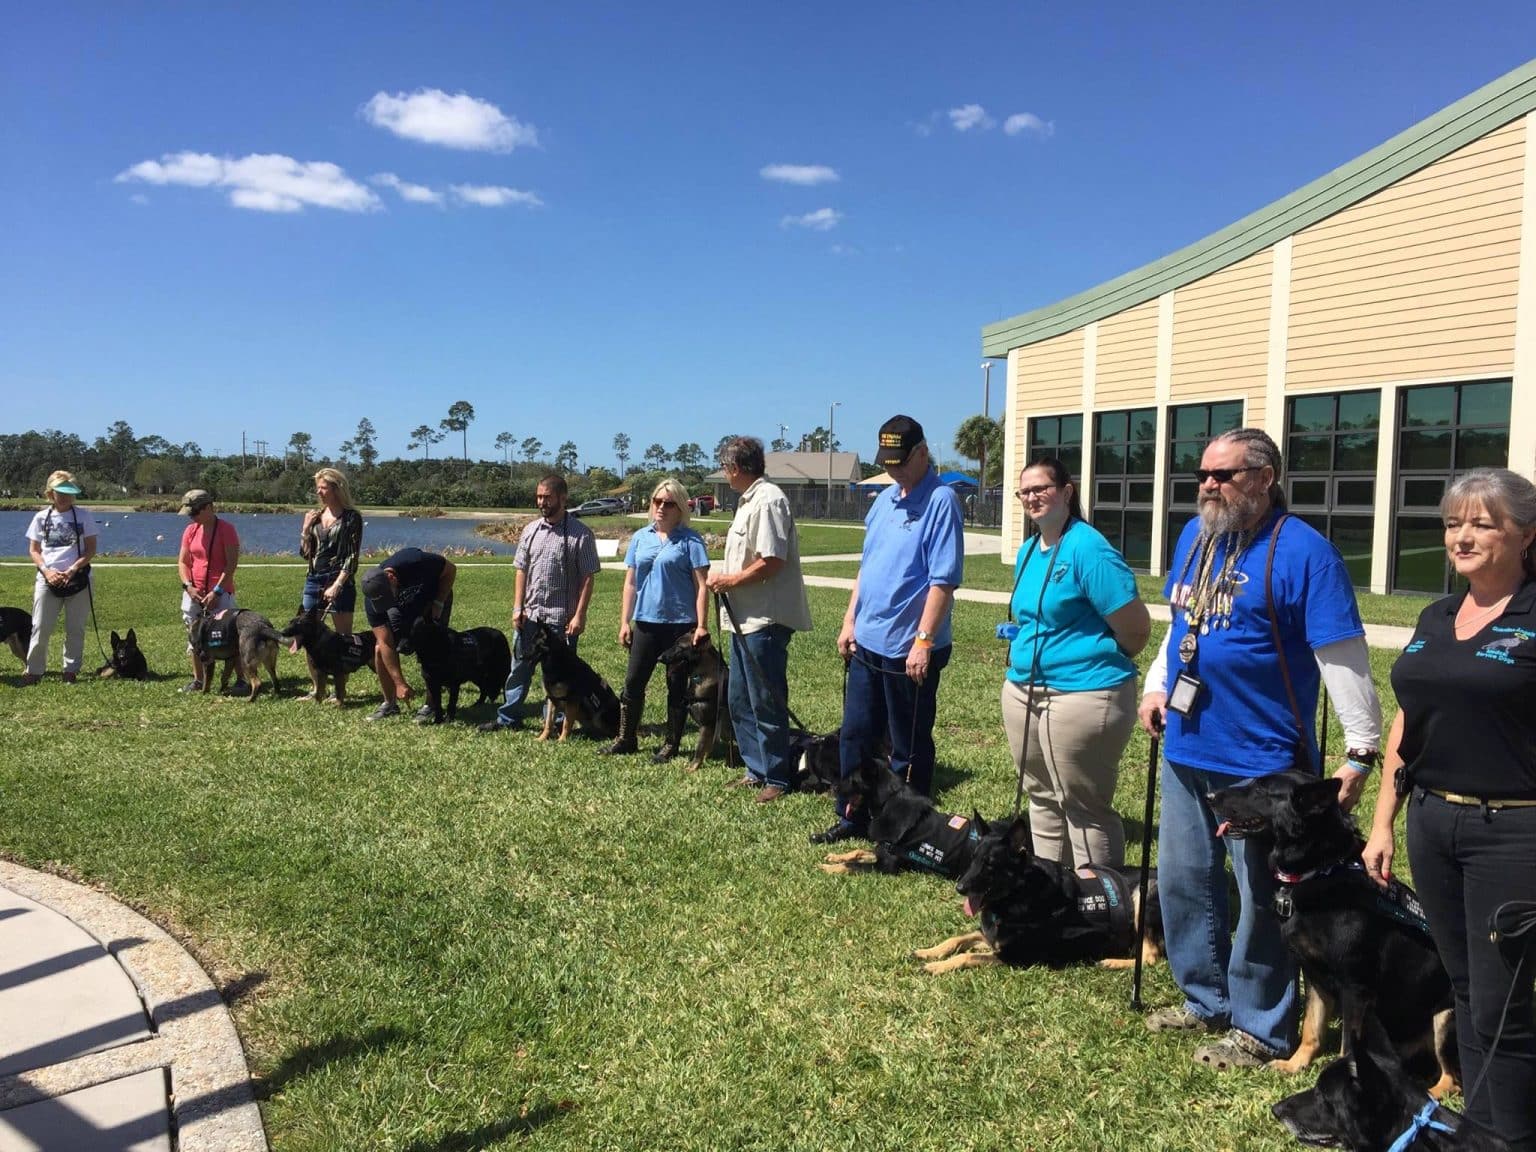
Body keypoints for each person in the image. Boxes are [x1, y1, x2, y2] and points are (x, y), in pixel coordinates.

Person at [1137, 427, 1381, 1071]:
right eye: (1203, 475)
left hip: (1263, 762)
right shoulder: (1197, 537)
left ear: (1266, 478)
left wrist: (1361, 749)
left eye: (1225, 475)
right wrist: (1157, 686)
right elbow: (1180, 628)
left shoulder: (1306, 552)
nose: (1209, 486)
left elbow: (1342, 656)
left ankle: (1260, 1025)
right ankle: (1203, 998)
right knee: (1186, 881)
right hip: (1186, 743)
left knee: (1262, 897)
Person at [1362, 467, 1536, 1150]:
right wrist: (1382, 824)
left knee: (1503, 1003)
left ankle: (1505, 1137)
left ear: (1525, 534)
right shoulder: (1438, 616)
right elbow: (1411, 720)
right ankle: (1481, 1129)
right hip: (1433, 821)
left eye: (1482, 523)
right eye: (1453, 522)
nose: (1462, 535)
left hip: (1514, 832)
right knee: (1464, 990)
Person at [812, 415, 964, 845]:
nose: (893, 468)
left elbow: (943, 580)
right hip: (868, 642)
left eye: (900, 460)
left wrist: (923, 640)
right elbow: (867, 569)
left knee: (907, 747)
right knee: (856, 734)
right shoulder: (882, 502)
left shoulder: (941, 501)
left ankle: (909, 831)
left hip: (908, 649)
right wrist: (849, 621)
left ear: (921, 453)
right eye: (887, 460)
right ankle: (851, 817)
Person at [1003, 456, 1150, 868]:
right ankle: (1052, 887)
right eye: (1025, 491)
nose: (1032, 497)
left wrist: (1089, 658)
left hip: (1083, 694)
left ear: (1066, 492)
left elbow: (1135, 629)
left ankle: (1099, 903)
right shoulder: (1030, 549)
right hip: (1024, 690)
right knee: (1042, 798)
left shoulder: (1088, 548)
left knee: (1084, 807)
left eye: (1041, 488)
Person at [705, 436, 812, 802]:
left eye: (724, 466)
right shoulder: (749, 501)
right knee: (739, 699)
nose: (724, 472)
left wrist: (728, 580)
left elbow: (772, 560)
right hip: (743, 620)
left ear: (734, 468)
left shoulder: (767, 501)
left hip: (764, 621)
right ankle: (756, 769)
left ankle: (777, 778)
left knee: (765, 700)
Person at [479, 473, 600, 733]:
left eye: (547, 497)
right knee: (519, 668)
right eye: (539, 497)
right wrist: (517, 607)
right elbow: (521, 570)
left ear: (563, 498)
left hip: (561, 618)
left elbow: (588, 578)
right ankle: (508, 718)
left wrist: (580, 615)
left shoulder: (581, 535)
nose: (541, 502)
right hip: (530, 615)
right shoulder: (531, 530)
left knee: (558, 675)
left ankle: (555, 723)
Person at [603, 478, 710, 758]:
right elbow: (630, 583)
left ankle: (671, 744)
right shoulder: (640, 537)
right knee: (633, 683)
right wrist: (625, 621)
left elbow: (702, 586)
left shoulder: (691, 540)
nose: (661, 507)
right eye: (657, 501)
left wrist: (701, 625)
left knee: (676, 686)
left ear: (681, 507)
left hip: (680, 626)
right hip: (646, 623)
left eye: (669, 503)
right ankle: (626, 738)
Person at [361, 547, 457, 722]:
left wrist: (439, 602)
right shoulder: (372, 599)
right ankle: (389, 704)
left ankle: (431, 704)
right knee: (378, 650)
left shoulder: (414, 560)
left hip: (433, 599)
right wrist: (399, 683)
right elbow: (385, 642)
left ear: (391, 577)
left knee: (432, 648)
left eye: (388, 597)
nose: (385, 603)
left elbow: (450, 570)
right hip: (406, 609)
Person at [22, 470, 98, 685]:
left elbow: (91, 549)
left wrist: (73, 569)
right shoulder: (40, 518)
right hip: (48, 578)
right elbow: (34, 549)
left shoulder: (84, 516)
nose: (64, 497)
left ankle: (71, 669)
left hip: (78, 578)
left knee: (75, 627)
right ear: (50, 494)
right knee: (40, 626)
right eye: (60, 493)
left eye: (68, 493)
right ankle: (34, 670)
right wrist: (47, 571)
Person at [177, 489, 242, 694]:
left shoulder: (226, 529)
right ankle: (199, 680)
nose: (191, 516)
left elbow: (231, 564)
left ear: (208, 508)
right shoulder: (190, 531)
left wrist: (217, 591)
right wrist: (188, 586)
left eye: (195, 512)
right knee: (194, 636)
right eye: (189, 513)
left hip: (220, 594)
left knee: (230, 636)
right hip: (194, 593)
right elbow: (183, 562)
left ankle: (240, 679)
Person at [297, 468, 364, 651]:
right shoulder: (316, 517)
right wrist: (305, 530)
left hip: (338, 581)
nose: (319, 492)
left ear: (337, 489)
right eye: (318, 488)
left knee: (343, 640)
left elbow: (352, 556)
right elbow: (306, 554)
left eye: (323, 488)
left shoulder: (351, 518)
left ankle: (341, 676)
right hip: (313, 579)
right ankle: (317, 680)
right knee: (308, 637)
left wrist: (337, 585)